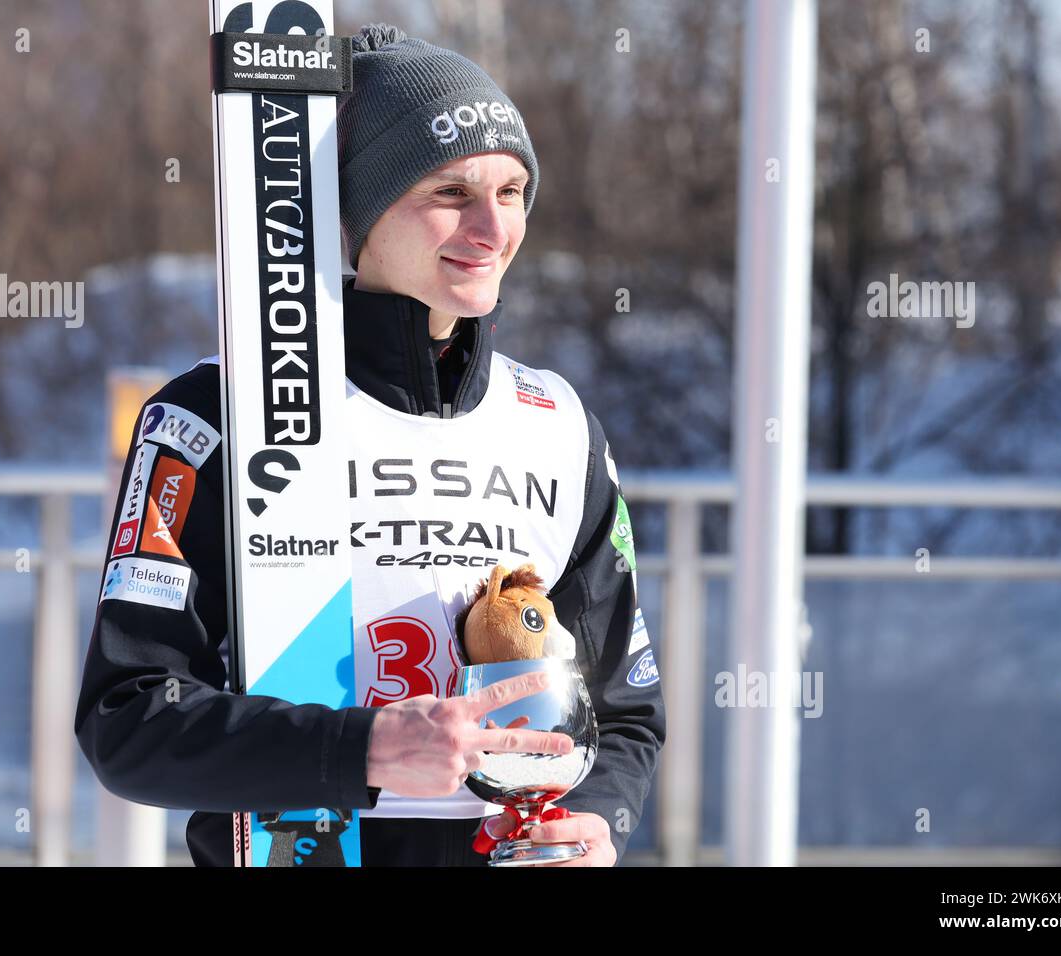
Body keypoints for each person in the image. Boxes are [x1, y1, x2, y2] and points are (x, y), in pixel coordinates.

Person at [75, 22, 665, 867]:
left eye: (511, 192)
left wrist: (597, 821)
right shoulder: (211, 416)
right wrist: (365, 752)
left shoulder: (558, 424)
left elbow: (626, 711)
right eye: (450, 193)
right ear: (354, 211)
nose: (492, 229)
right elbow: (126, 717)